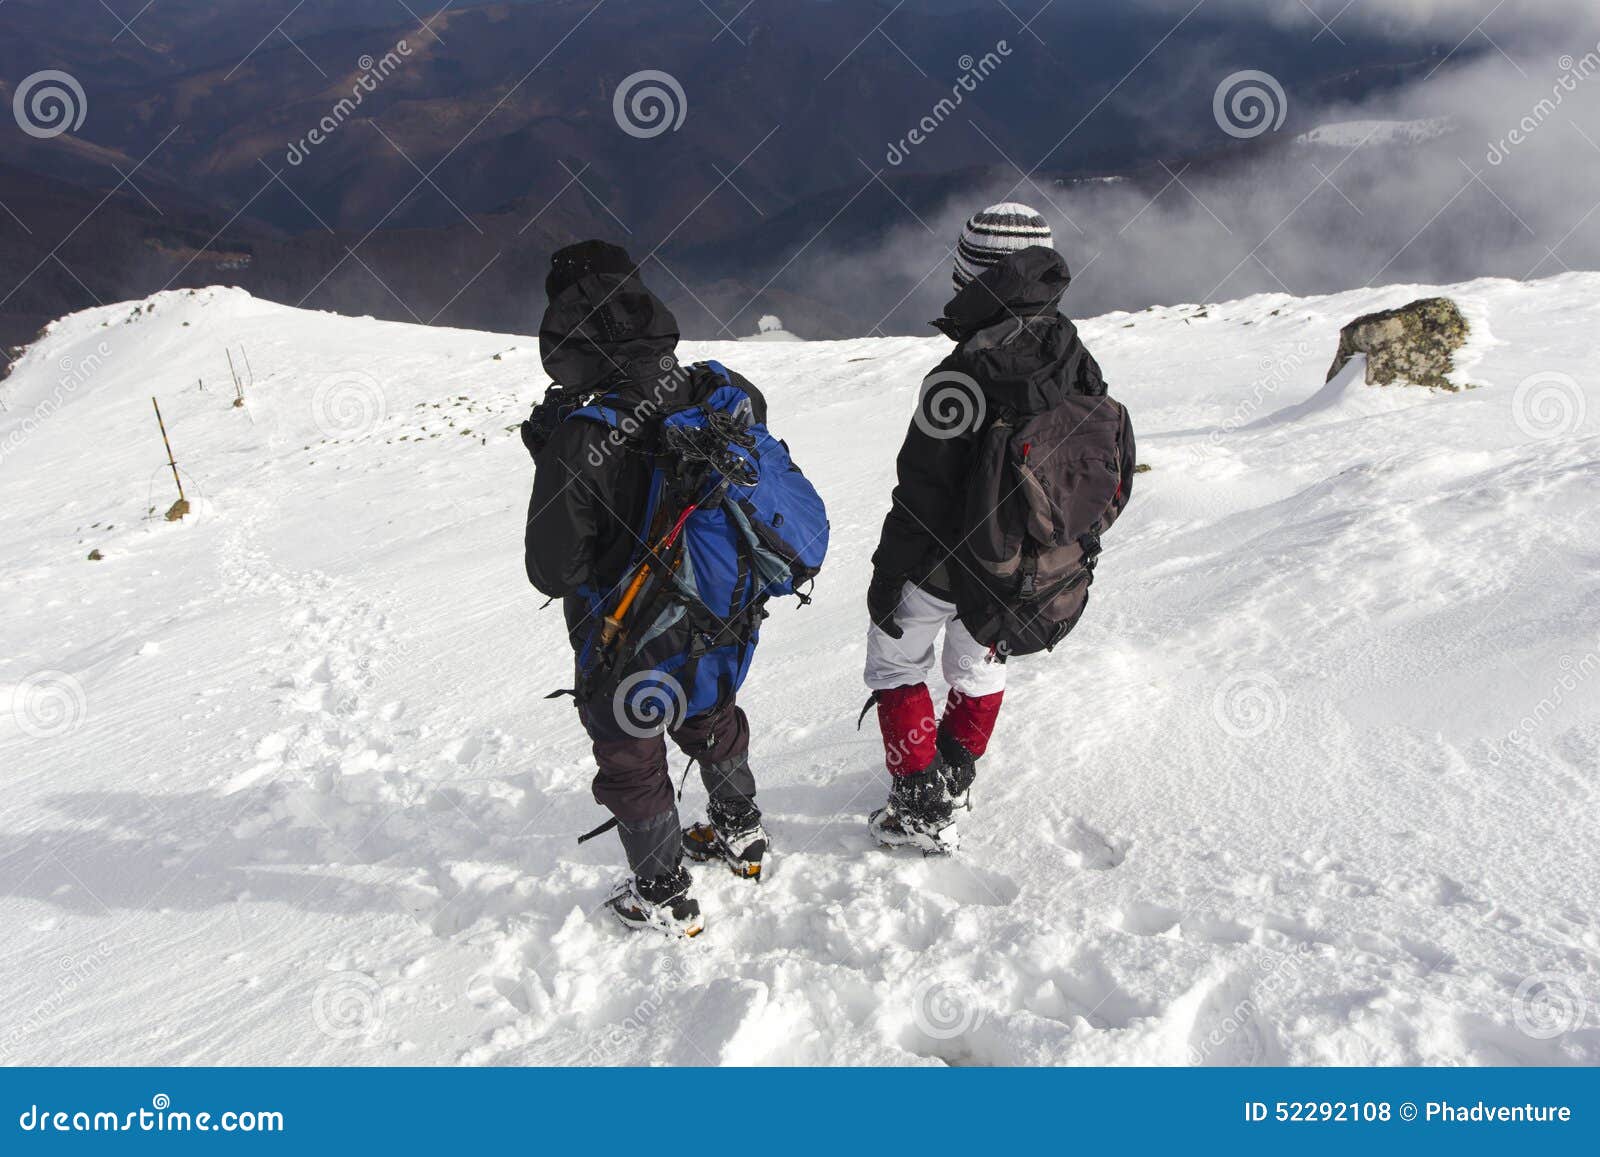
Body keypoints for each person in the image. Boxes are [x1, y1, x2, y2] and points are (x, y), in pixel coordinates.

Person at [523, 241, 783, 937]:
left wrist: (555, 459)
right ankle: (741, 829)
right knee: (710, 708)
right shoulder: (718, 390)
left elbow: (554, 568)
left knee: (632, 746)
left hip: (626, 633)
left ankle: (664, 890)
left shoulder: (584, 433)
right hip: (720, 610)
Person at [863, 203, 1136, 854]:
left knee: (896, 665)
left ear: (973, 278)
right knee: (979, 667)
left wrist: (888, 578)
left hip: (939, 564)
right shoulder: (1074, 353)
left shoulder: (960, 374)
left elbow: (921, 496)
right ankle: (954, 775)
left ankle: (919, 805)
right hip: (1021, 566)